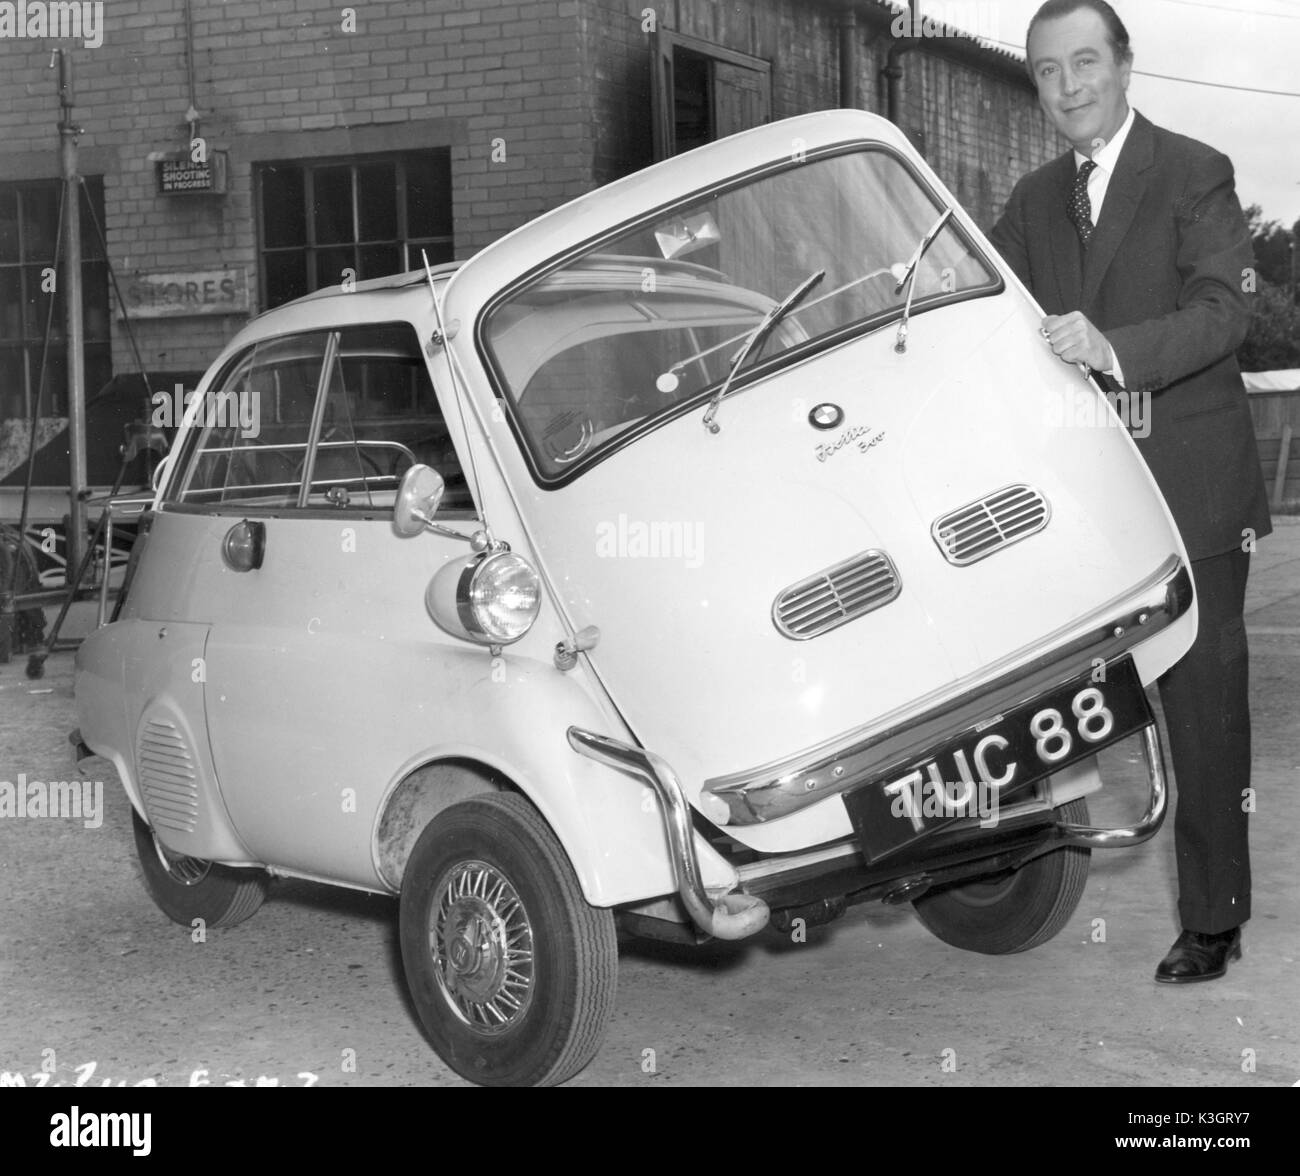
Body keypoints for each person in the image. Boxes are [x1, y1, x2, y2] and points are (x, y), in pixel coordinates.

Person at [989, 0, 1271, 982]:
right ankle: (996, 879)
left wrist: (1113, 350)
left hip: (1192, 493)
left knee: (1202, 708)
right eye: (1046, 70)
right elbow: (985, 312)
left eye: (1083, 63)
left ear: (1123, 65)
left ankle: (1214, 916)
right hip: (1082, 506)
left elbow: (1225, 311)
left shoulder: (1193, 172)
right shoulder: (1031, 201)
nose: (1067, 86)